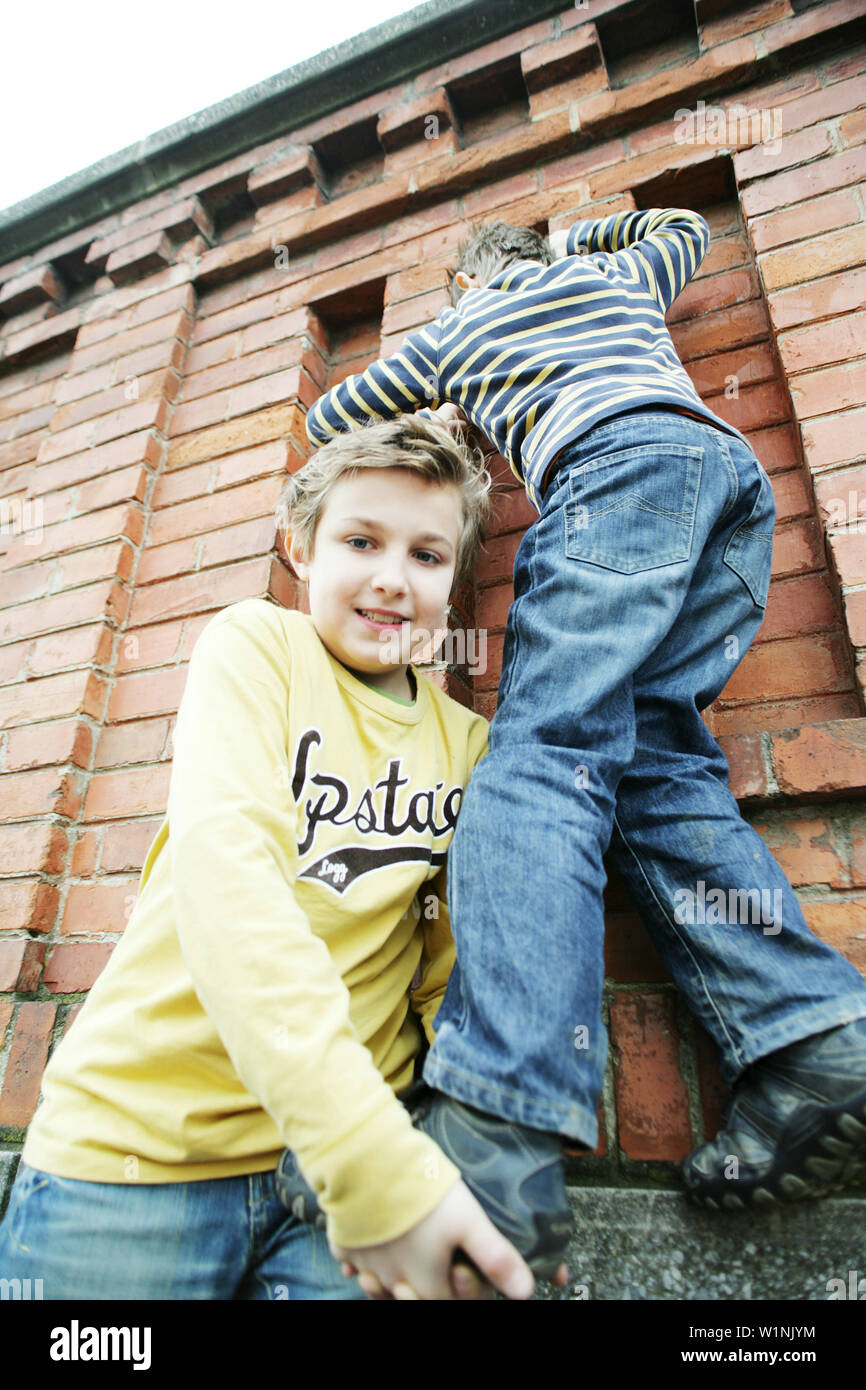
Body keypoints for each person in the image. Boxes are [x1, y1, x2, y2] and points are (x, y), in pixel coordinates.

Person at [304, 210, 866, 1275]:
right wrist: (580, 242)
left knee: (540, 761)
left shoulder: (459, 328)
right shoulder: (621, 276)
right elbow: (682, 227)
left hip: (606, 473)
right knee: (653, 759)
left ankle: (495, 1129)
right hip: (720, 481)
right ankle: (809, 1041)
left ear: (466, 283)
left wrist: (447, 377)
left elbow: (338, 410)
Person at [0, 414, 538, 1302]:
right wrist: (372, 1165)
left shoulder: (471, 747)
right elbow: (230, 880)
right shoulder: (257, 649)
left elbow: (448, 976)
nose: (391, 580)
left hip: (342, 1186)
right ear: (302, 547)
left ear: (453, 580)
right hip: (137, 1156)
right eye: (361, 540)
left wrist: (473, 1156)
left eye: (427, 556)